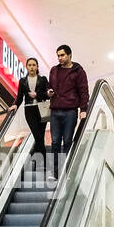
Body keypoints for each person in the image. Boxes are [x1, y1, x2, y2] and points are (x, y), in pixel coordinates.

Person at [47, 44, 88, 177]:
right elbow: (49, 86)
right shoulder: (54, 70)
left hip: (70, 111)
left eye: (62, 55)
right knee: (54, 142)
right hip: (55, 111)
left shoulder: (78, 71)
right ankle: (55, 172)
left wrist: (83, 109)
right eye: (58, 55)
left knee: (68, 141)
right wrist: (49, 92)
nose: (60, 58)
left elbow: (83, 91)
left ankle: (67, 170)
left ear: (69, 55)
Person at [15, 57, 50, 173]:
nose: (32, 67)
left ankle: (36, 162)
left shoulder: (43, 79)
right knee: (37, 136)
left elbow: (48, 94)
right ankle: (43, 163)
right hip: (29, 110)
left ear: (37, 67)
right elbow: (20, 97)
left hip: (41, 109)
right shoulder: (22, 81)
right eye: (29, 65)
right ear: (26, 67)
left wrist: (38, 95)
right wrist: (15, 105)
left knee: (39, 138)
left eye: (34, 65)